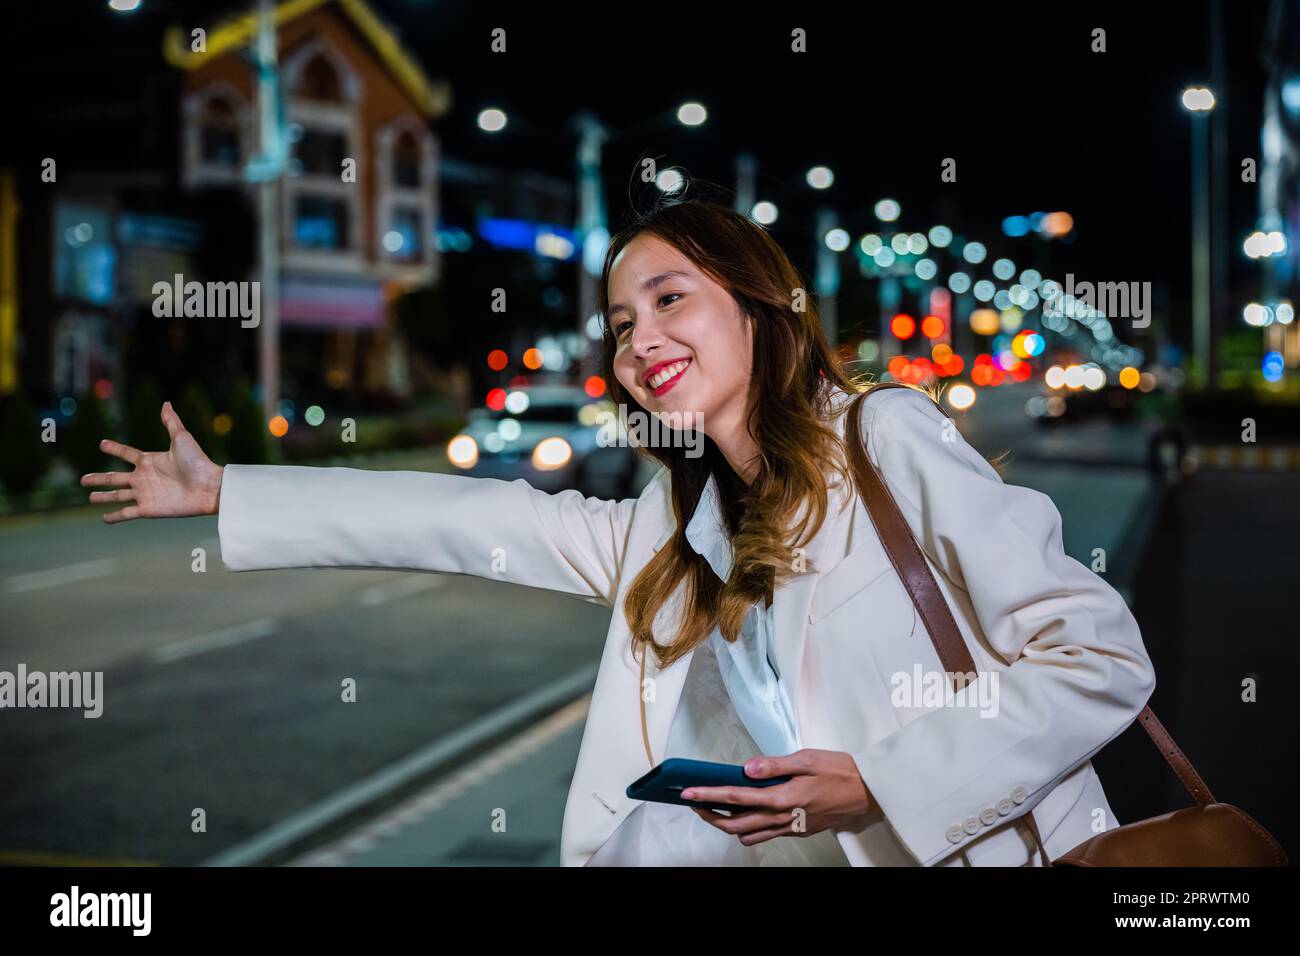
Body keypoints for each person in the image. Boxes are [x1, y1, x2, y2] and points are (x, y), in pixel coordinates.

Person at [83, 198, 1156, 867]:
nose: (640, 338)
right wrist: (232, 492)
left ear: (763, 298)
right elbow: (469, 518)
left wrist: (882, 779)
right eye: (621, 322)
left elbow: (1100, 656)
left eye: (670, 298)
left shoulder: (885, 436)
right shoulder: (675, 526)